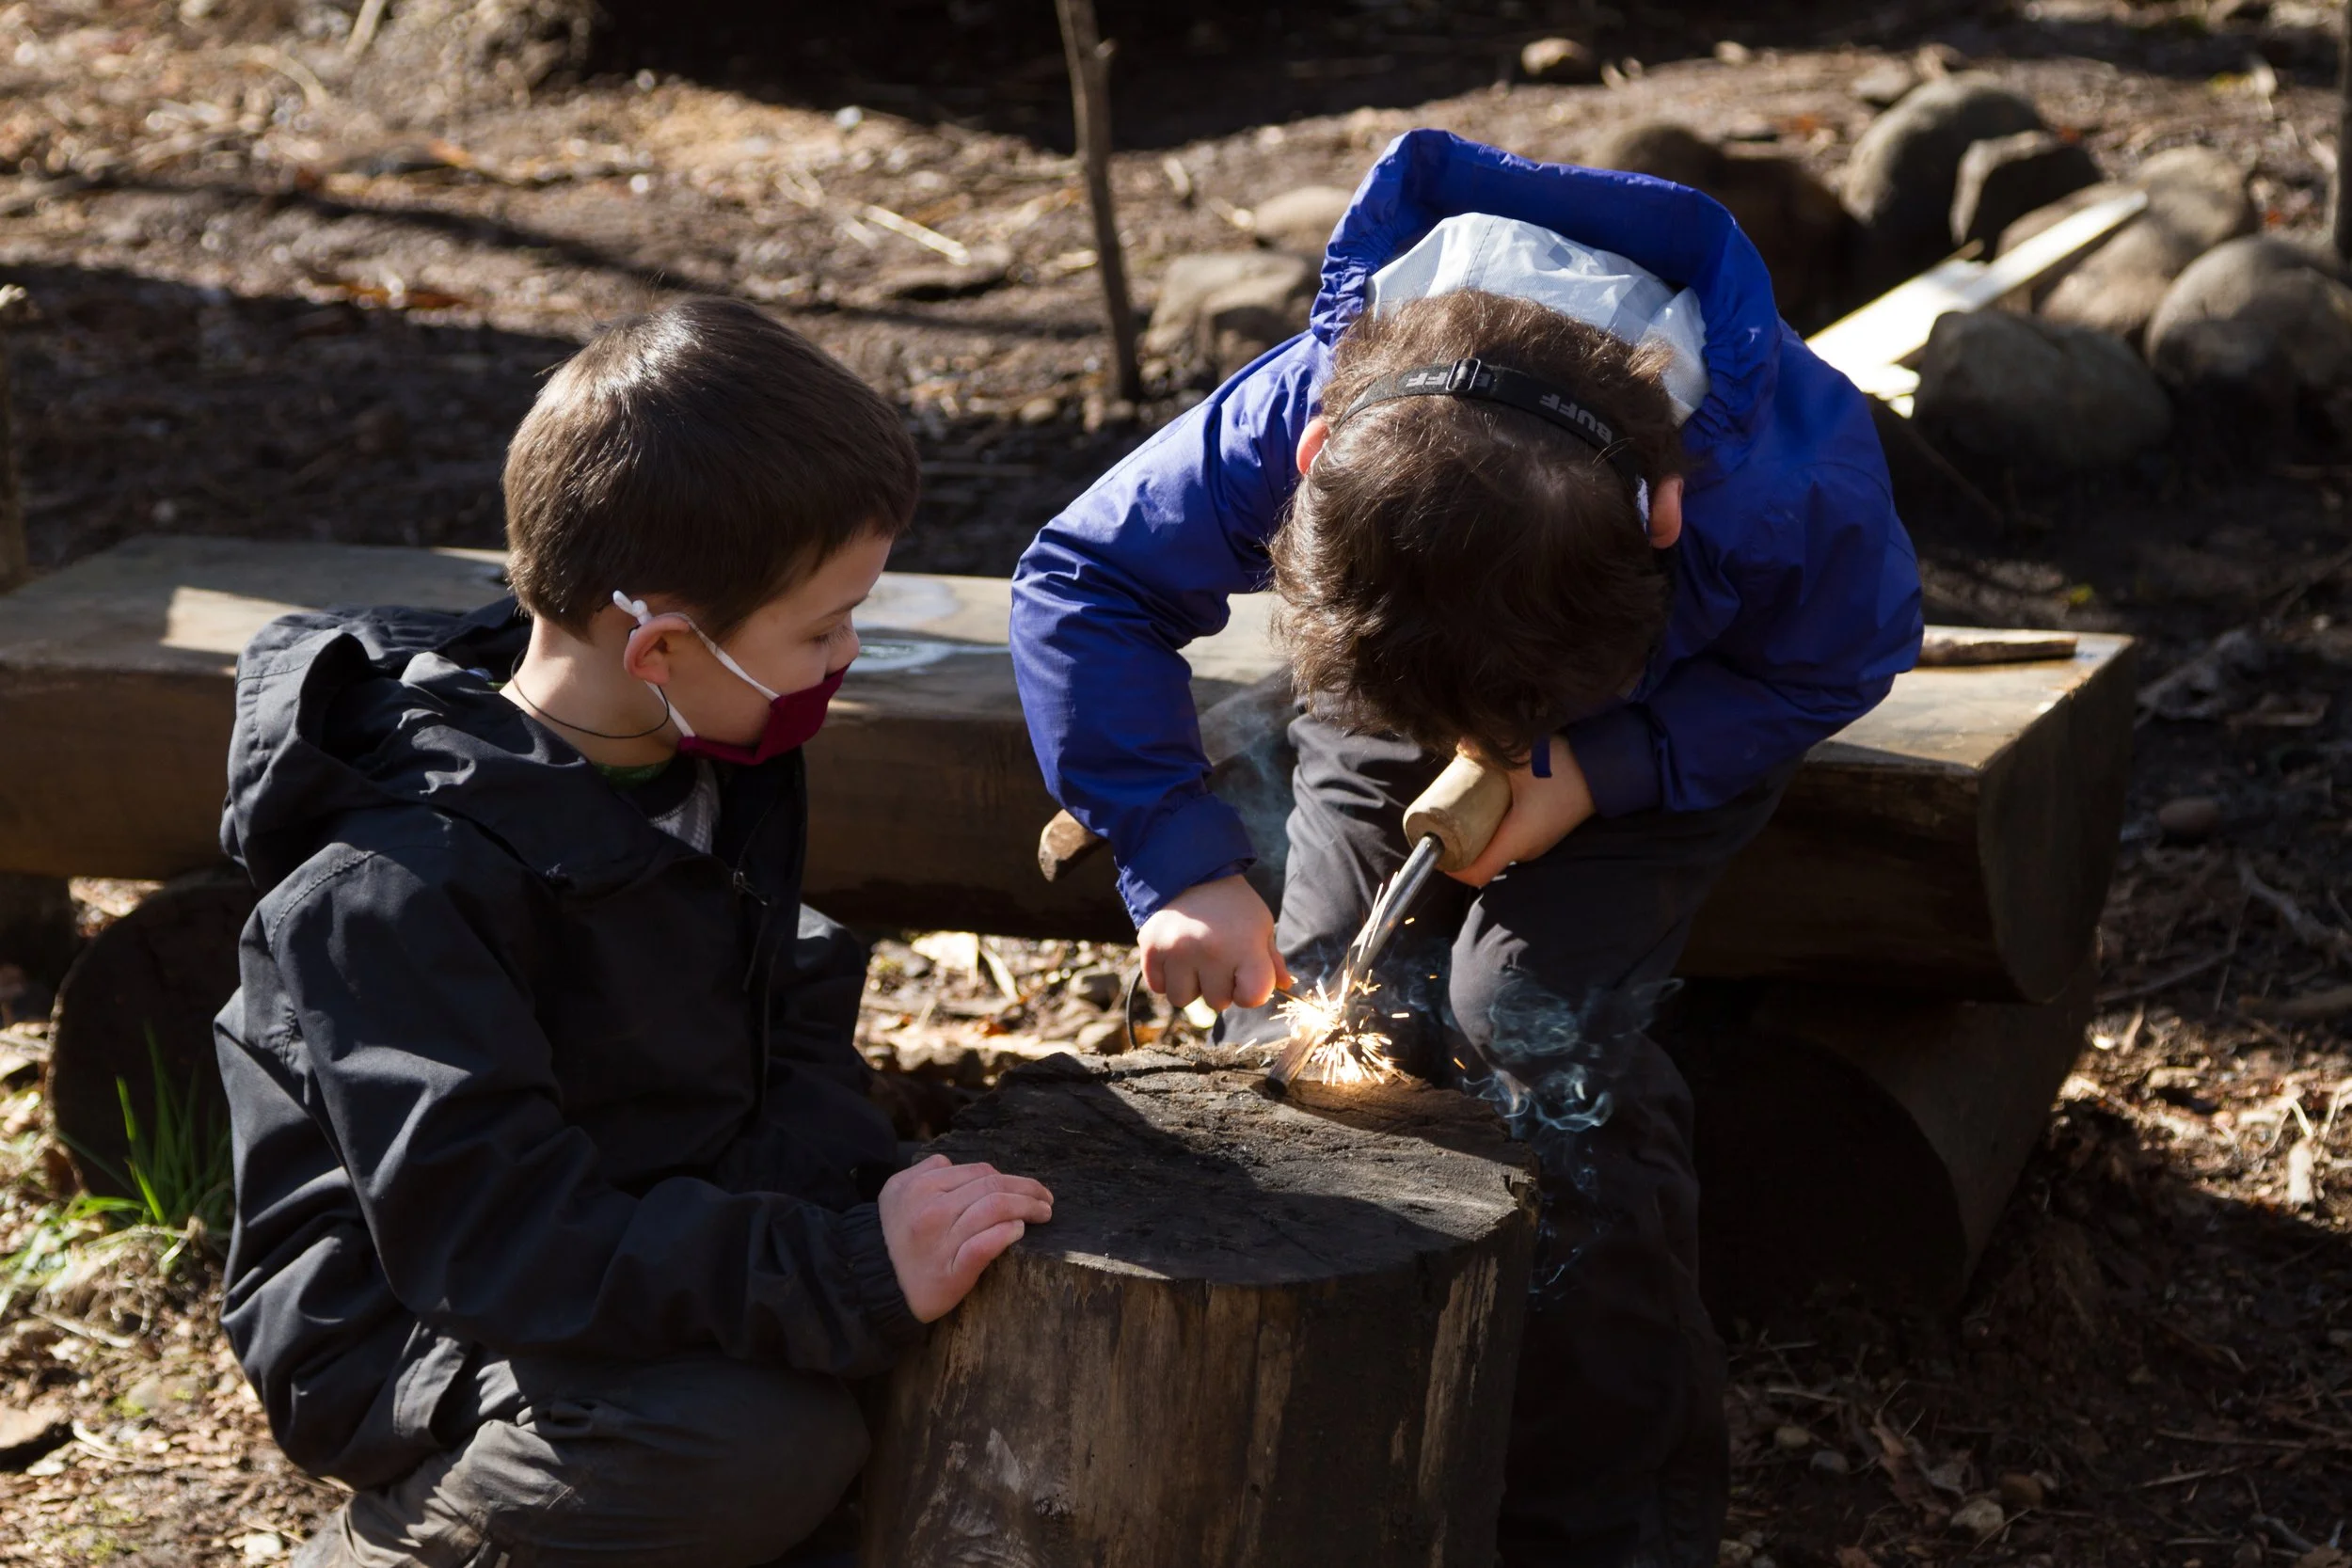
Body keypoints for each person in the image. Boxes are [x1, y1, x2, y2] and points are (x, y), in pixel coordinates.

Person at [1009, 130, 1920, 1567]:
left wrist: (1603, 767)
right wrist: (1179, 857)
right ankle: (1352, 1449)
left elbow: (1836, 661)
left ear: (1663, 514)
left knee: (1538, 1057)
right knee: (1324, 1009)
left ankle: (1599, 1510)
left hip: (1652, 722)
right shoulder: (1317, 396)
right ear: (1316, 464)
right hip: (1409, 655)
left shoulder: (1778, 489)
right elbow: (1087, 575)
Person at [214, 296, 1053, 1568]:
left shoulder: (714, 745)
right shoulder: (392, 884)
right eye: (821, 627)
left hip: (643, 1224)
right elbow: (494, 1236)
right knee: (756, 1442)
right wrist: (834, 1274)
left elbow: (782, 1032)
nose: (846, 653)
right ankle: (393, 1550)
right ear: (661, 642)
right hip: (417, 1316)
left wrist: (864, 1200)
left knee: (942, 1348)